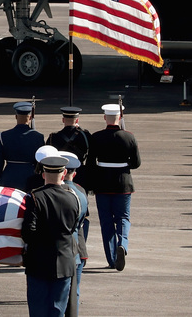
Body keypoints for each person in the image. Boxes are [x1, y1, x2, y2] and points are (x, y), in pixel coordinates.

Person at [21, 155, 81, 317]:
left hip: (39, 262)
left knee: (38, 310)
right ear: (64, 173)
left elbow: (28, 232)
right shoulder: (73, 197)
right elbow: (74, 227)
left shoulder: (34, 197)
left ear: (43, 174)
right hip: (65, 261)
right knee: (57, 311)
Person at [85, 103, 140, 271]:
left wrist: (92, 185)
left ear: (104, 117)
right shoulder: (129, 137)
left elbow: (90, 164)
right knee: (123, 218)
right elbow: (136, 163)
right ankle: (122, 243)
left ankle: (112, 259)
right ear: (120, 118)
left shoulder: (96, 137)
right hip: (123, 184)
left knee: (106, 223)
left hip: (102, 184)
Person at [60, 152, 89, 317]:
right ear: (74, 173)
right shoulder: (81, 191)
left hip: (61, 251)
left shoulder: (53, 192)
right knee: (74, 293)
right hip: (78, 249)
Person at [0, 101, 46, 190]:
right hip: (30, 179)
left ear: (16, 116)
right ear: (30, 117)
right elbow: (40, 162)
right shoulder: (38, 137)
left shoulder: (4, 136)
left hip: (8, 179)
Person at [47, 107, 92, 189]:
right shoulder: (85, 136)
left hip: (59, 173)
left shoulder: (53, 137)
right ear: (77, 120)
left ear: (63, 120)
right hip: (80, 173)